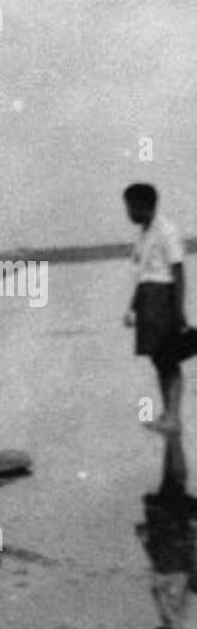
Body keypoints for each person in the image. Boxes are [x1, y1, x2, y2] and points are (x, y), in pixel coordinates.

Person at [124, 183, 188, 438]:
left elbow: (178, 272)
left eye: (130, 207)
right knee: (158, 359)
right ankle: (168, 414)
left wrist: (179, 310)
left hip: (163, 299)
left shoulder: (165, 231)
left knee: (167, 359)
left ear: (143, 206)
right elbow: (142, 274)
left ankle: (172, 416)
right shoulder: (144, 233)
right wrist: (132, 307)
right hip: (149, 300)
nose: (128, 212)